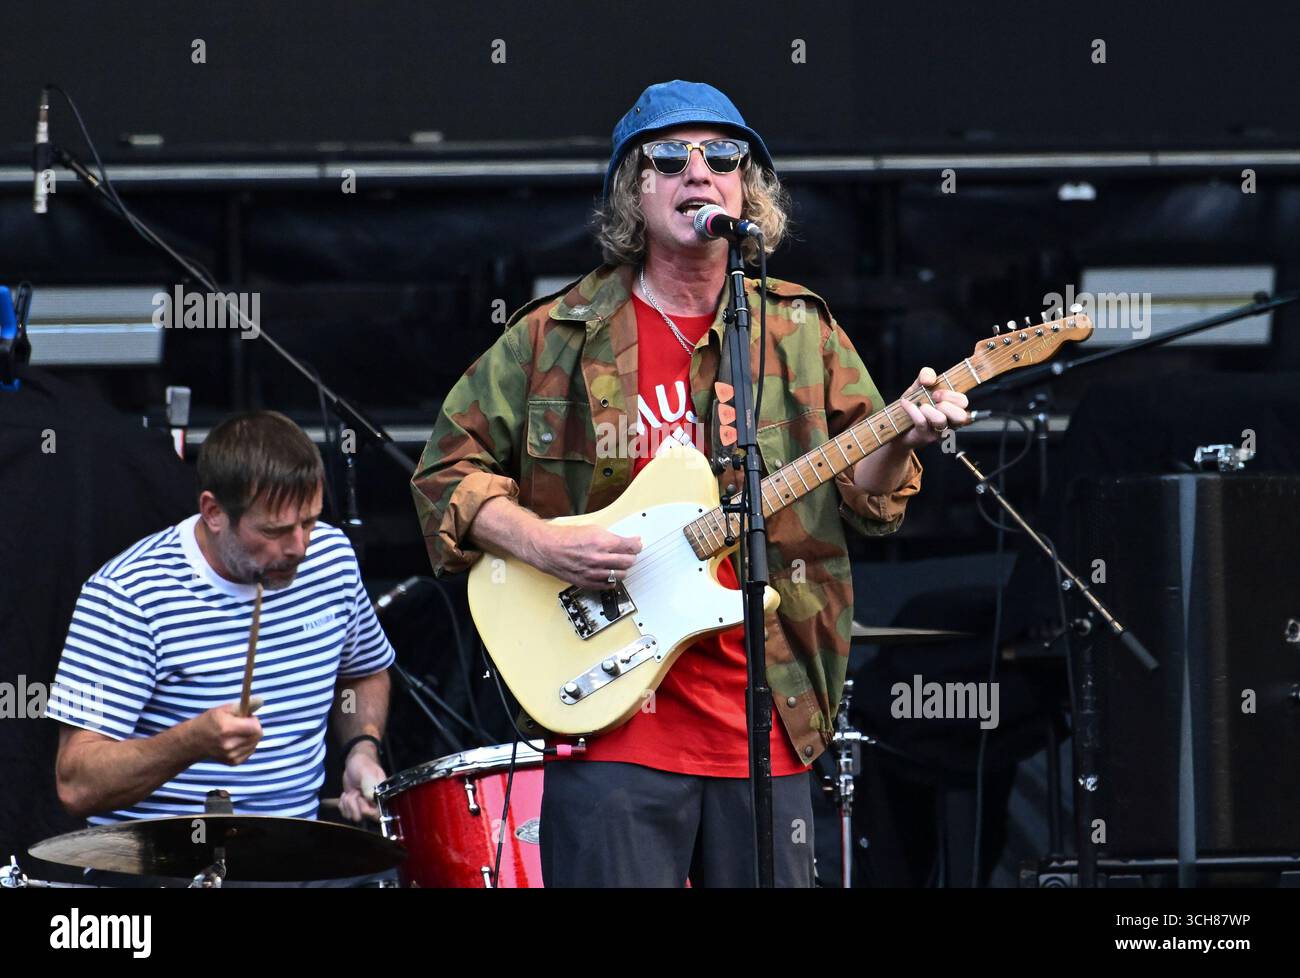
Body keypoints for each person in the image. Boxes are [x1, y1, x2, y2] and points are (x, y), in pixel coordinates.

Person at [412, 80, 970, 887]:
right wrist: (543, 544)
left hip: (768, 720)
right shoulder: (556, 335)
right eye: (669, 160)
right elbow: (443, 477)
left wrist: (905, 434)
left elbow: (868, 497)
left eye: (722, 158)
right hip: (610, 722)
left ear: (749, 189)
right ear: (633, 192)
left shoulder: (799, 331)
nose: (697, 173)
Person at [47, 410, 394, 855]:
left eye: (309, 521)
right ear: (213, 511)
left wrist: (362, 749)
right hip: (158, 870)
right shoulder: (127, 595)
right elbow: (76, 782)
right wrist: (190, 742)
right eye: (275, 530)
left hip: (293, 864)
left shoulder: (331, 559)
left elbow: (364, 671)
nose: (300, 547)